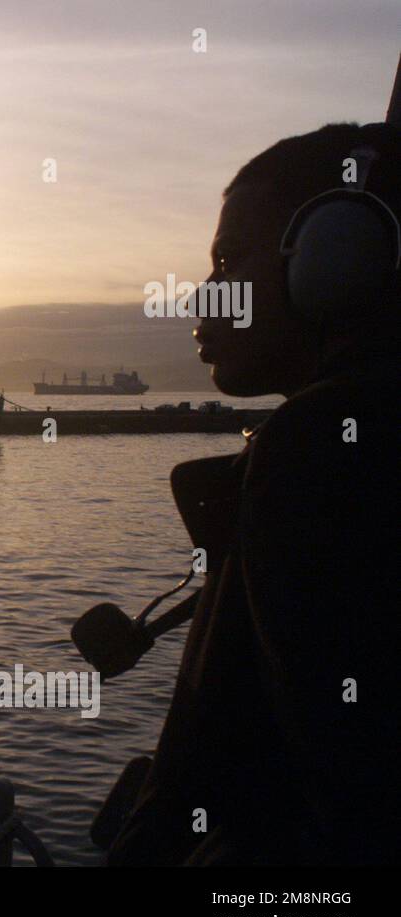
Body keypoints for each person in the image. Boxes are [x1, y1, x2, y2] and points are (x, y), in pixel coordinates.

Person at [104, 123, 400, 865]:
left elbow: (345, 810)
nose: (204, 296)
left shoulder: (320, 446)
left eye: (231, 261)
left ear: (339, 256)